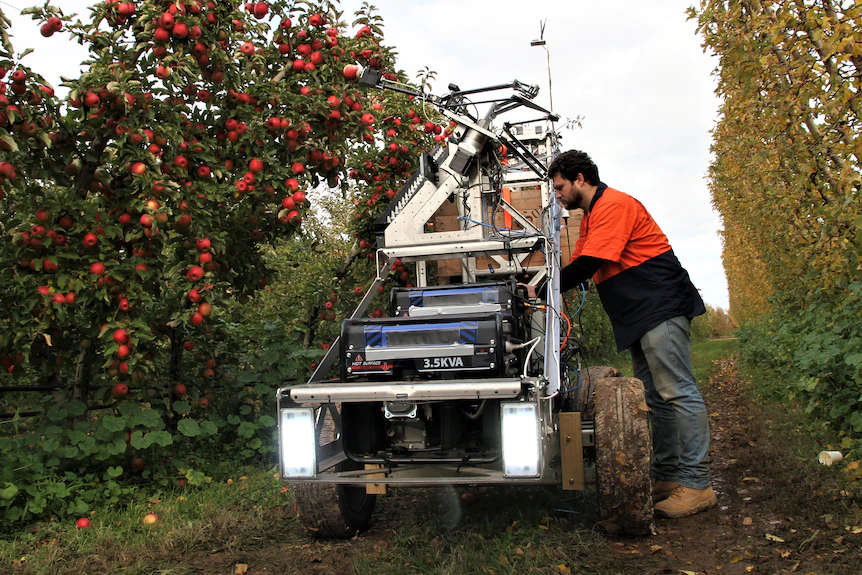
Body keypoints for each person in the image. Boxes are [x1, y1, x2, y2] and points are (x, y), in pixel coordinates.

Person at [545, 149, 716, 518]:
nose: (557, 195)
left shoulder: (614, 205)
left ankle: (698, 483)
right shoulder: (590, 216)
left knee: (677, 391)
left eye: (559, 187)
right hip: (637, 314)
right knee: (654, 396)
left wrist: (544, 284)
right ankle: (669, 475)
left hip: (658, 305)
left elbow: (591, 263)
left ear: (578, 179)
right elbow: (584, 264)